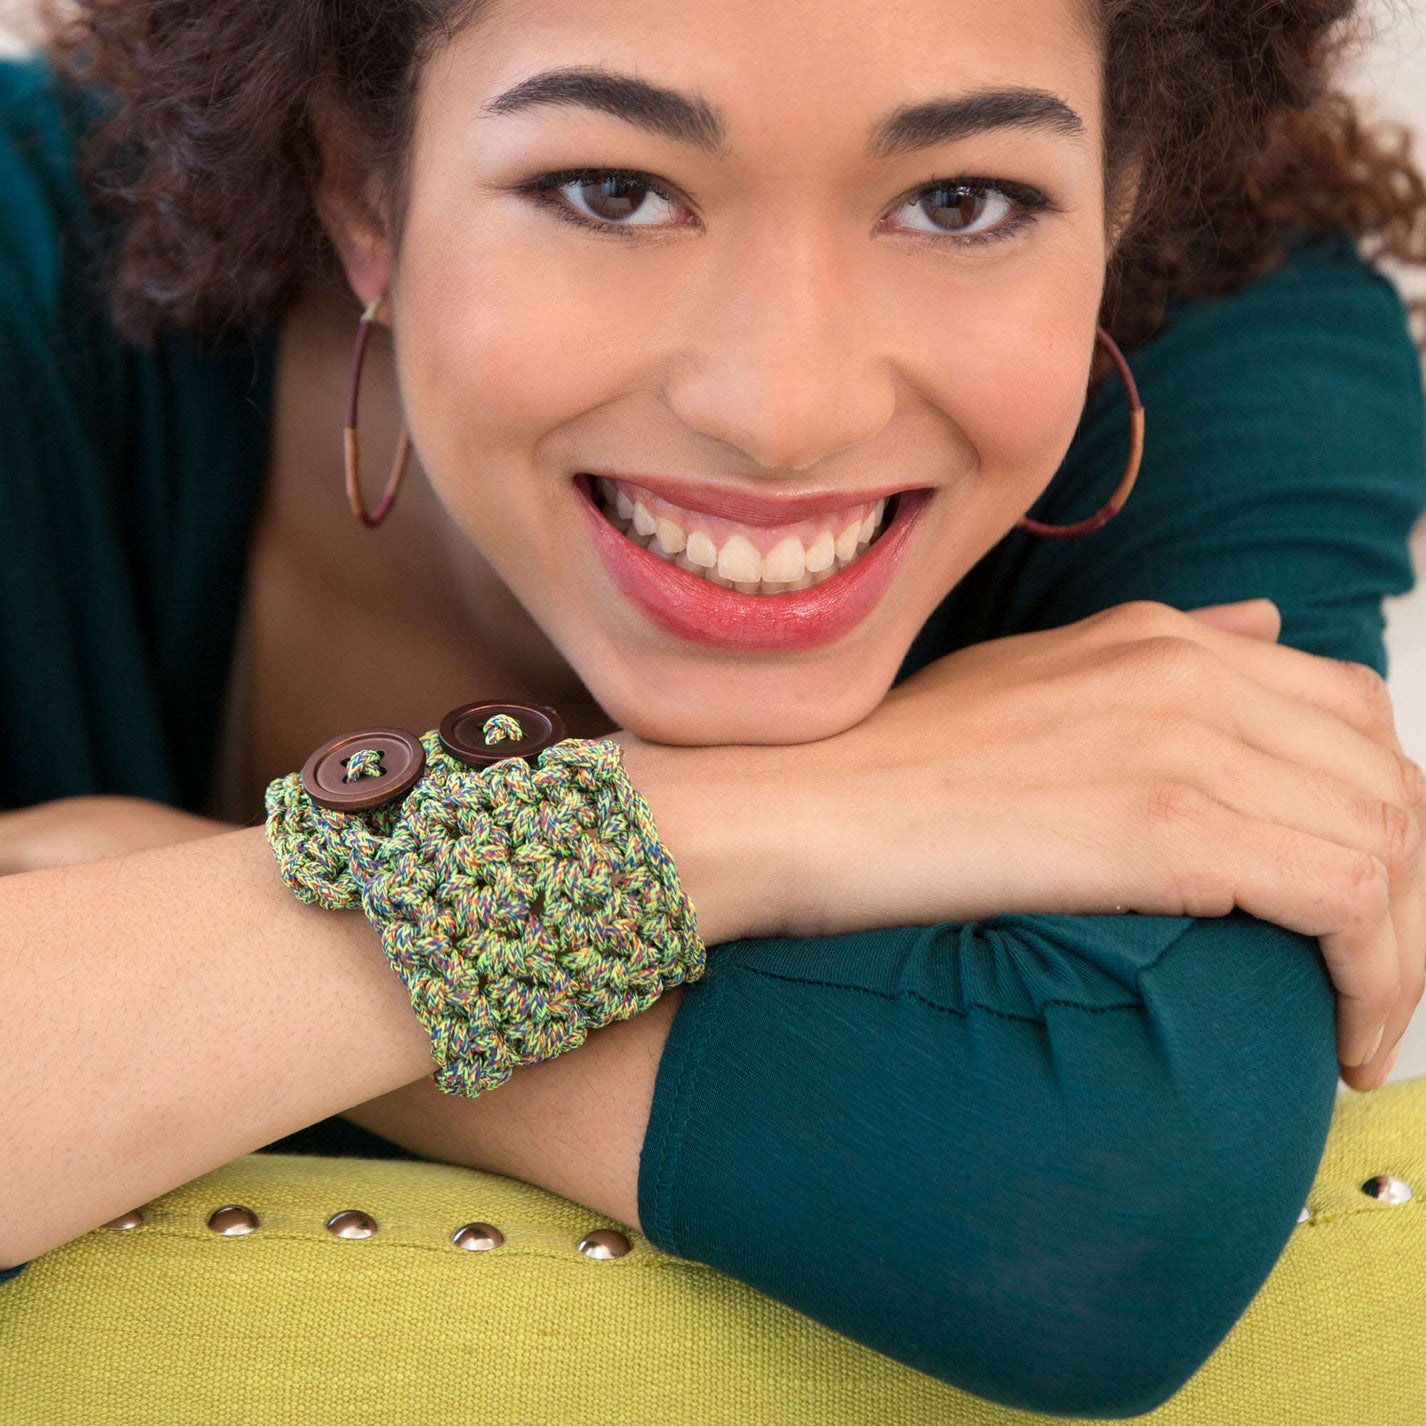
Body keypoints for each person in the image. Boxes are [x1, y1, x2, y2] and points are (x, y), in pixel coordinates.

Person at [2, 0, 1425, 1414]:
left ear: (1118, 202)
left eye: (961, 199)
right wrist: (738, 820)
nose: (781, 406)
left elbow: (1097, 1209)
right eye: (610, 190)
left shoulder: (1239, 351)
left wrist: (175, 944)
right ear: (360, 185)